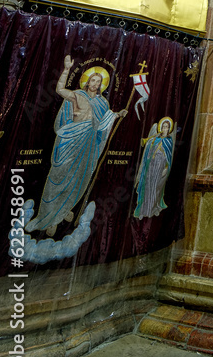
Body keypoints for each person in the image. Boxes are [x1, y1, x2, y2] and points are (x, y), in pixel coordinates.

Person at [26, 56, 127, 237]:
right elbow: (59, 89)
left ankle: (61, 214)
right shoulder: (76, 96)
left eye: (99, 81)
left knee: (76, 179)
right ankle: (44, 216)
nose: (95, 83)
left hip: (87, 143)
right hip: (69, 140)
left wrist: (117, 115)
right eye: (93, 80)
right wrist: (66, 69)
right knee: (57, 177)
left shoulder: (103, 103)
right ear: (87, 81)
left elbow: (103, 124)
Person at [133, 117, 175, 219]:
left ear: (169, 129)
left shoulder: (169, 141)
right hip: (150, 166)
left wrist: (166, 167)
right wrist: (149, 143)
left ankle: (151, 209)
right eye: (163, 126)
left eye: (167, 127)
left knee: (155, 188)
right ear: (161, 127)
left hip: (160, 167)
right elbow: (148, 150)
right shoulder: (154, 139)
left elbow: (169, 157)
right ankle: (143, 210)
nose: (165, 129)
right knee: (147, 187)